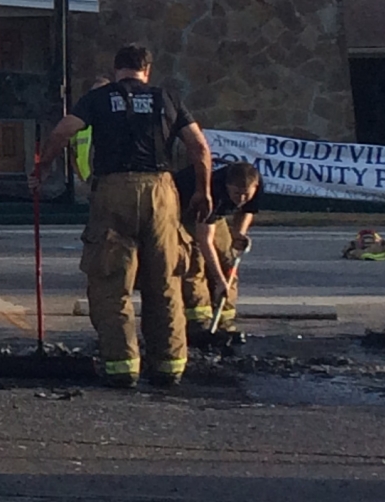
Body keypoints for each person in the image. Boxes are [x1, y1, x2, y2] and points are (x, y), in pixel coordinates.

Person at [39, 44, 212, 389]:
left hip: (113, 192)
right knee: (164, 280)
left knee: (111, 281)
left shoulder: (99, 99)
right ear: (146, 70)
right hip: (161, 192)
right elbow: (199, 147)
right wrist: (202, 190)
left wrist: (42, 167)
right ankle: (169, 365)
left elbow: (62, 131)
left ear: (117, 69)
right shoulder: (167, 98)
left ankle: (122, 366)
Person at [176, 160, 262, 346]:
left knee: (228, 260)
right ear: (227, 186)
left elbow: (247, 211)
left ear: (255, 187)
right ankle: (198, 321)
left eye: (246, 194)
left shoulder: (256, 184)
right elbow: (205, 240)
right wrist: (219, 279)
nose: (240, 199)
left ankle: (224, 320)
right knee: (195, 261)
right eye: (236, 194)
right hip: (182, 209)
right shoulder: (212, 190)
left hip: (216, 214)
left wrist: (239, 233)